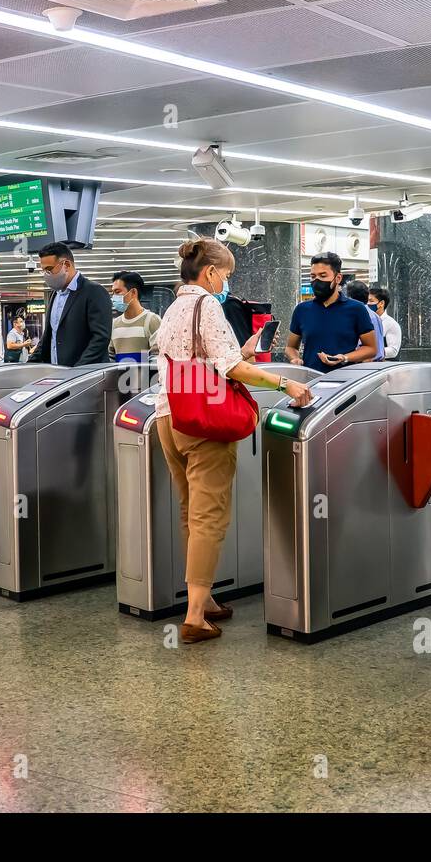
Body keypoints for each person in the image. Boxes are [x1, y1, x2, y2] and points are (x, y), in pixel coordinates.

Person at [155, 238, 314, 644]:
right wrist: (285, 383)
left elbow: (200, 363)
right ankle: (194, 617)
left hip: (169, 415)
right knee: (210, 517)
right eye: (225, 275)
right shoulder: (207, 306)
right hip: (204, 422)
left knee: (191, 511)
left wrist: (238, 353)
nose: (226, 283)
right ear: (209, 273)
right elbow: (230, 370)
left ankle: (204, 600)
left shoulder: (172, 307)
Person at [284, 252, 378, 372]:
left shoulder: (357, 309)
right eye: (313, 277)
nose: (317, 281)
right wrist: (294, 358)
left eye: (323, 276)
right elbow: (291, 347)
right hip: (310, 380)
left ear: (338, 278)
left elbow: (371, 348)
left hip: (345, 381)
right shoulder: (302, 310)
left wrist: (345, 357)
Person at [29, 242, 112, 366]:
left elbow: (100, 338)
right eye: (43, 271)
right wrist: (29, 364)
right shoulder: (54, 295)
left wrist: (77, 371)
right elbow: (49, 336)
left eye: (49, 269)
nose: (46, 275)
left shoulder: (94, 292)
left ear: (66, 264)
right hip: (57, 374)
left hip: (85, 375)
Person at [109, 270, 161, 363]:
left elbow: (157, 358)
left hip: (145, 376)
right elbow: (111, 358)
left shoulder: (151, 320)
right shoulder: (114, 324)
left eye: (117, 292)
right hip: (120, 377)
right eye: (112, 293)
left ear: (133, 292)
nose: (114, 297)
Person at [344, 280, 385, 360]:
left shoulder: (360, 315)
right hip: (377, 363)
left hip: (365, 364)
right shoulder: (375, 315)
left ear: (350, 298)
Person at [366, 287, 402, 359]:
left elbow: (393, 351)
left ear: (381, 303)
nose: (367, 304)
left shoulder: (391, 324)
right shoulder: (365, 320)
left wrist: (372, 352)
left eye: (371, 301)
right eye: (366, 301)